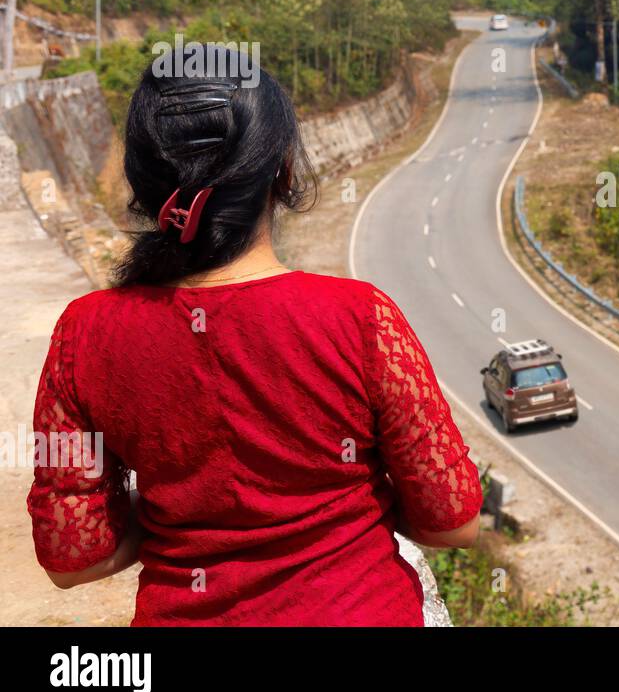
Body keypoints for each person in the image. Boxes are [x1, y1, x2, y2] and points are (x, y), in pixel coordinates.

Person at [26, 44, 481, 625]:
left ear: (140, 183)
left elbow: (72, 559)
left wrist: (180, 512)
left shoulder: (83, 334)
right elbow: (454, 521)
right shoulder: (361, 318)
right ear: (284, 170)